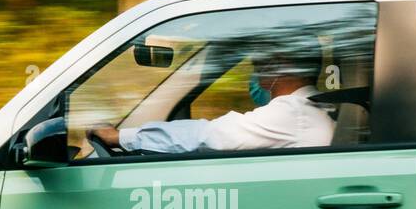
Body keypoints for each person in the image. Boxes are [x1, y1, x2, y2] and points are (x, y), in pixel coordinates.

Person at [87, 34, 333, 154]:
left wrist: (120, 137)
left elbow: (208, 135)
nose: (256, 66)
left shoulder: (293, 113)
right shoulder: (313, 110)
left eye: (261, 58)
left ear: (281, 64)